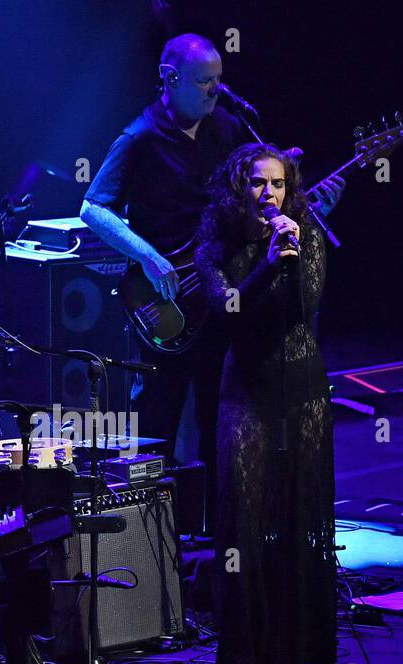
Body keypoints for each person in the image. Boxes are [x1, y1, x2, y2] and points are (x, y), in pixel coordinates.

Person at [80, 33, 341, 529]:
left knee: (218, 417)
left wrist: (293, 206)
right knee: (158, 413)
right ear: (170, 77)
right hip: (166, 294)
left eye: (220, 82)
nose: (214, 92)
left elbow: (250, 203)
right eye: (204, 82)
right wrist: (150, 256)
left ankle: (219, 541)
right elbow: (93, 206)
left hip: (221, 295)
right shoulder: (138, 137)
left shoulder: (229, 127)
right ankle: (151, 536)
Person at [194, 142, 336, 664]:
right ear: (238, 190)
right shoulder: (215, 250)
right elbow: (226, 314)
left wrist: (292, 259)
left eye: (277, 184)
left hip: (302, 388)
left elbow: (306, 309)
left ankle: (296, 650)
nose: (268, 194)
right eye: (257, 183)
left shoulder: (309, 235)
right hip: (246, 389)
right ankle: (244, 657)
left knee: (300, 516)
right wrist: (265, 267)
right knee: (244, 519)